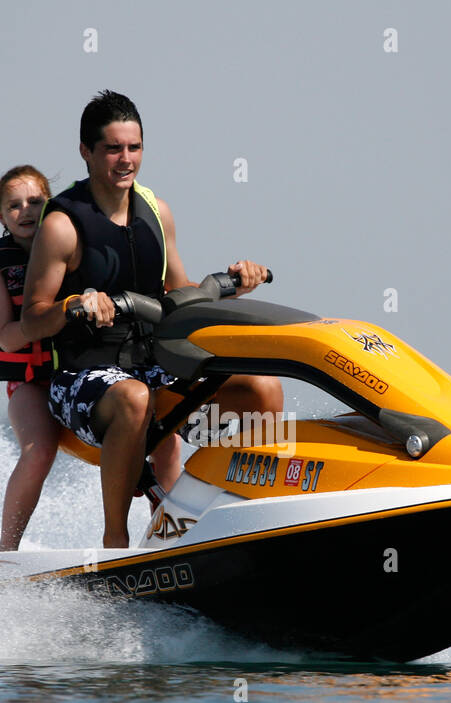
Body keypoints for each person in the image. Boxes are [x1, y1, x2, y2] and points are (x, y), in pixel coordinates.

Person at [20, 90, 282, 548]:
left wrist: (233, 284)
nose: (126, 160)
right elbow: (32, 320)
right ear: (86, 151)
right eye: (113, 149)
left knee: (262, 387)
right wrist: (74, 304)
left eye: (134, 147)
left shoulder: (157, 212)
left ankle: (226, 508)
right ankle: (116, 543)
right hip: (82, 380)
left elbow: (182, 300)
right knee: (134, 397)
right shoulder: (62, 225)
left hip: (155, 365)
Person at [0, 165, 61, 551]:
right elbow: (7, 337)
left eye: (35, 202)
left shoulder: (71, 245)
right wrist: (54, 317)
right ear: (0, 216)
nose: (25, 211)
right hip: (30, 380)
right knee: (39, 449)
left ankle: (168, 535)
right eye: (14, 205)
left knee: (157, 436)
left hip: (77, 373)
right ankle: (7, 550)